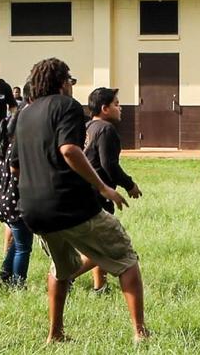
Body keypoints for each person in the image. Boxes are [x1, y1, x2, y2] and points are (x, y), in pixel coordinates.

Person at [15, 57, 147, 344]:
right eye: (71, 81)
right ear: (63, 82)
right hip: (70, 205)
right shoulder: (67, 106)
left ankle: (56, 334)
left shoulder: (25, 113)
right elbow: (70, 150)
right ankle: (141, 333)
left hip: (34, 212)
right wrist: (103, 188)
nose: (72, 87)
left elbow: (14, 165)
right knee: (126, 258)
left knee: (61, 269)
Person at [84, 87, 143, 293]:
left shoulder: (89, 127)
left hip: (87, 191)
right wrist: (129, 184)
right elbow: (109, 165)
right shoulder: (106, 130)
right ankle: (65, 275)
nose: (121, 108)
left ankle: (100, 286)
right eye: (116, 104)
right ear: (105, 109)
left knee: (97, 243)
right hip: (98, 194)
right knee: (106, 248)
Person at [0, 98, 33, 289]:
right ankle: (18, 283)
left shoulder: (4, 148)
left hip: (3, 201)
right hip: (17, 203)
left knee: (18, 241)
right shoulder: (18, 149)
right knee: (24, 247)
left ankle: (4, 273)